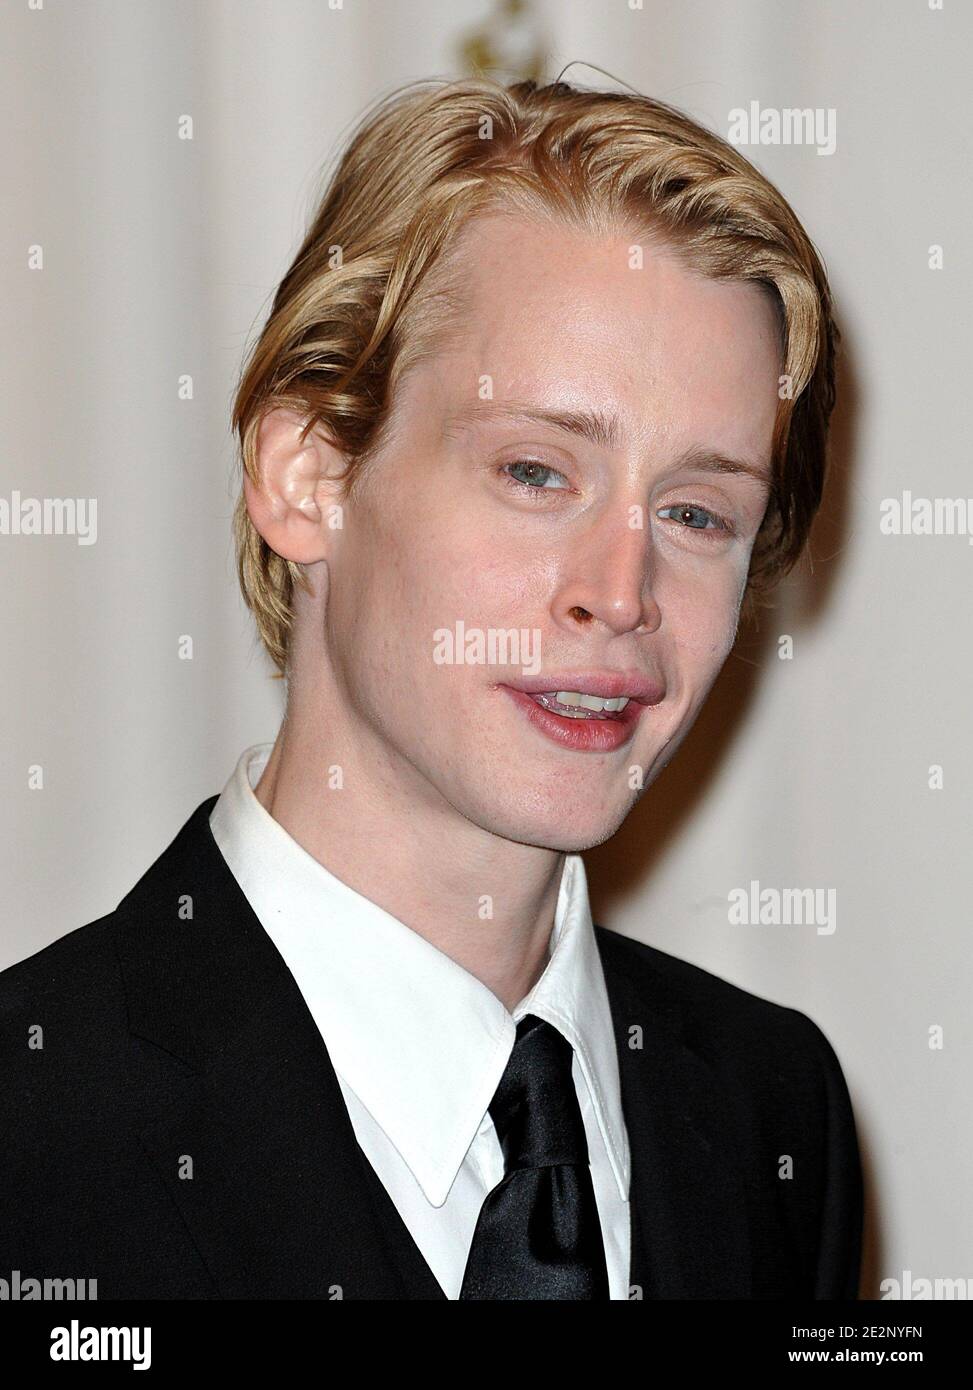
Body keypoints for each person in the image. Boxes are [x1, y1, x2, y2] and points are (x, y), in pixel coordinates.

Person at [0, 76, 862, 1300]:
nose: (622, 591)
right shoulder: (34, 1130)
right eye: (533, 470)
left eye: (694, 511)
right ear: (307, 478)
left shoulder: (775, 1110)